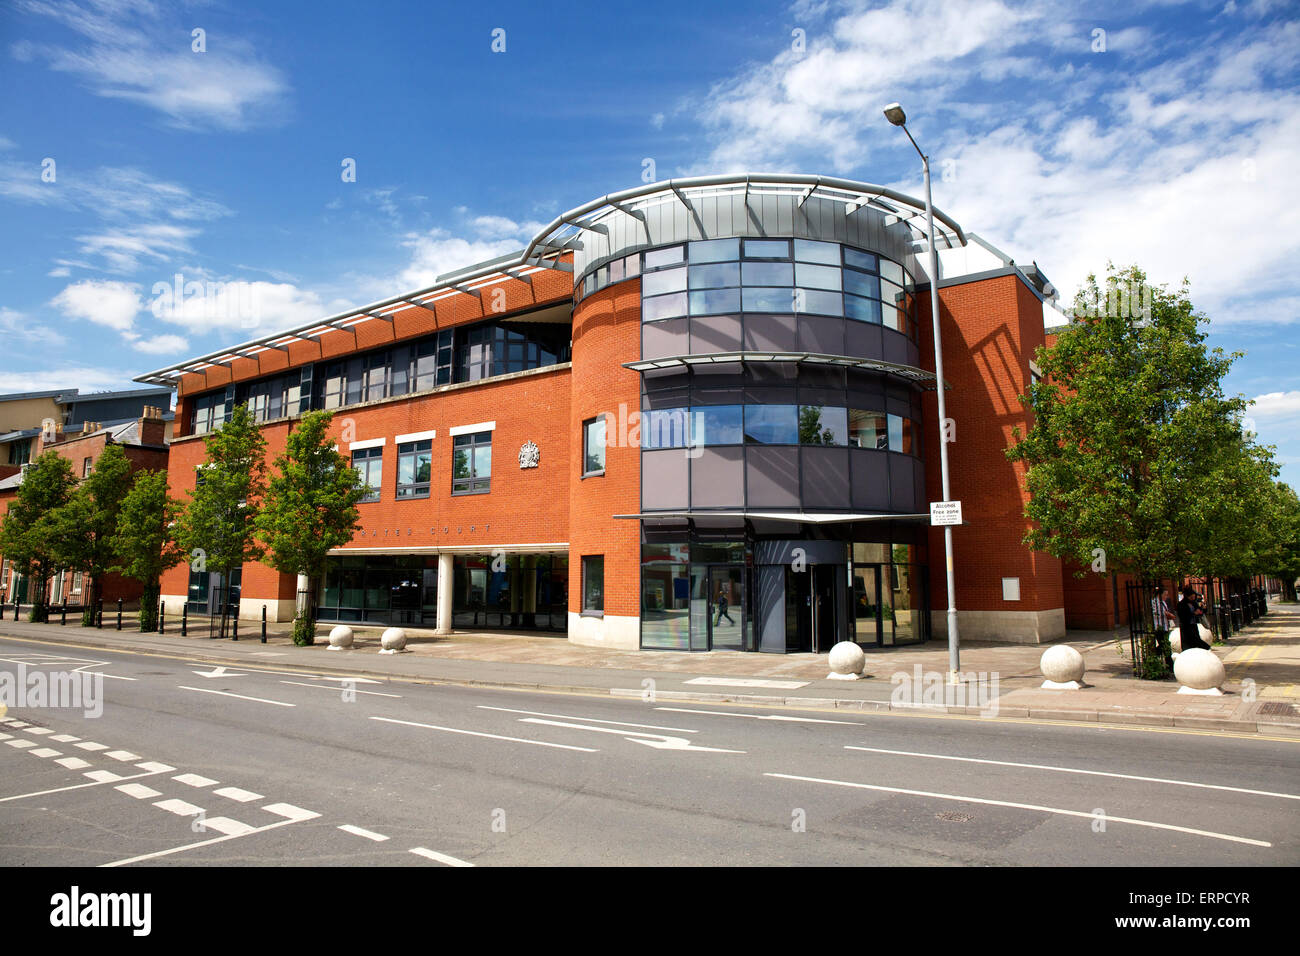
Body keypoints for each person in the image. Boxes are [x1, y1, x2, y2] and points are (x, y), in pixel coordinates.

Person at [1177, 585, 1210, 651]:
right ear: (1187, 596)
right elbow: (1182, 616)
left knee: (1196, 640)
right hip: (1186, 626)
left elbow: (1200, 611)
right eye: (1191, 597)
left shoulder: (1194, 603)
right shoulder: (1181, 604)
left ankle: (1204, 649)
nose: (1193, 598)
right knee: (1190, 642)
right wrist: (1193, 613)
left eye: (1194, 597)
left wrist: (1202, 610)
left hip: (1193, 625)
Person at [1151, 586, 1175, 672]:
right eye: (1165, 594)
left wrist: (1168, 615)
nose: (1166, 596)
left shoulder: (1163, 602)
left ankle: (1168, 665)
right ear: (1160, 594)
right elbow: (1155, 612)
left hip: (1165, 626)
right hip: (1158, 627)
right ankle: (1154, 656)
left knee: (1166, 646)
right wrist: (1166, 613)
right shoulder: (1154, 602)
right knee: (1164, 645)